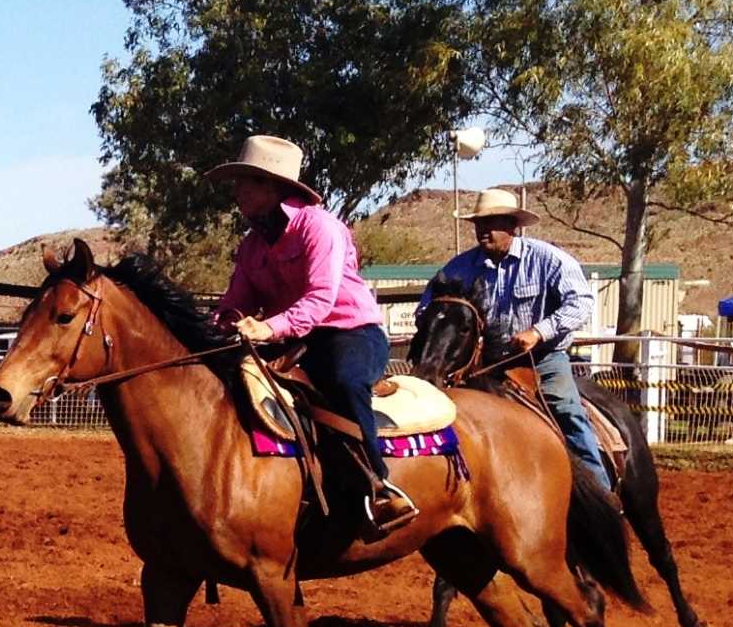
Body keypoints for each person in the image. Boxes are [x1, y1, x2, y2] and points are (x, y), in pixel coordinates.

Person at [205, 135, 416, 535]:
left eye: (244, 182)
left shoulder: (320, 228)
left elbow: (321, 299)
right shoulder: (251, 247)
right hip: (291, 338)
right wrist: (220, 326)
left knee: (344, 381)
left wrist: (267, 327)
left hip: (350, 331)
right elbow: (236, 300)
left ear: (272, 185)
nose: (236, 193)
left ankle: (378, 486)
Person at [433, 188, 611, 490]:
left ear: (513, 226)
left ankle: (601, 492)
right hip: (485, 365)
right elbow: (432, 301)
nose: (483, 230)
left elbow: (581, 301)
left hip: (543, 360)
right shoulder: (460, 267)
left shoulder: (548, 259)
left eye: (492, 223)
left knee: (567, 410)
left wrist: (539, 332)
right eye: (479, 224)